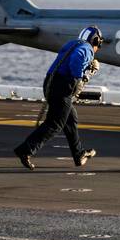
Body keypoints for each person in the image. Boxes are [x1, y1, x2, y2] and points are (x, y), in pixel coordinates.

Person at [14, 26, 103, 170]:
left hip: (50, 82)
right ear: (96, 40)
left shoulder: (72, 43)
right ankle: (25, 150)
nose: (98, 48)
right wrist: (83, 76)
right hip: (61, 87)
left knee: (70, 118)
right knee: (55, 124)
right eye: (98, 44)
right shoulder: (86, 48)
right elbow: (76, 60)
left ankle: (79, 154)